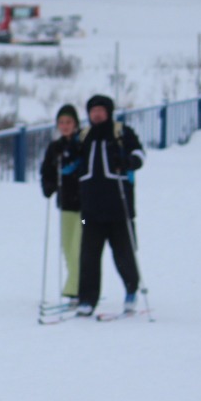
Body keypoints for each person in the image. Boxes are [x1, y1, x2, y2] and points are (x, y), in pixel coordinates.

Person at [75, 94, 145, 316]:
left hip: (119, 207)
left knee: (124, 252)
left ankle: (131, 289)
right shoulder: (83, 136)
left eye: (101, 110)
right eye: (93, 110)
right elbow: (71, 159)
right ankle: (86, 299)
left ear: (108, 112)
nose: (97, 114)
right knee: (88, 255)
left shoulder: (121, 132)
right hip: (89, 210)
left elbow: (139, 154)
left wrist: (127, 162)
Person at [40, 104, 83, 305]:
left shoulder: (82, 143)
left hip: (85, 208)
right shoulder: (55, 147)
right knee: (67, 247)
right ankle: (77, 286)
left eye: (68, 122)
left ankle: (74, 290)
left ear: (75, 124)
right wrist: (48, 186)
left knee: (78, 247)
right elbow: (46, 171)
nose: (65, 126)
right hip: (65, 205)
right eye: (61, 123)